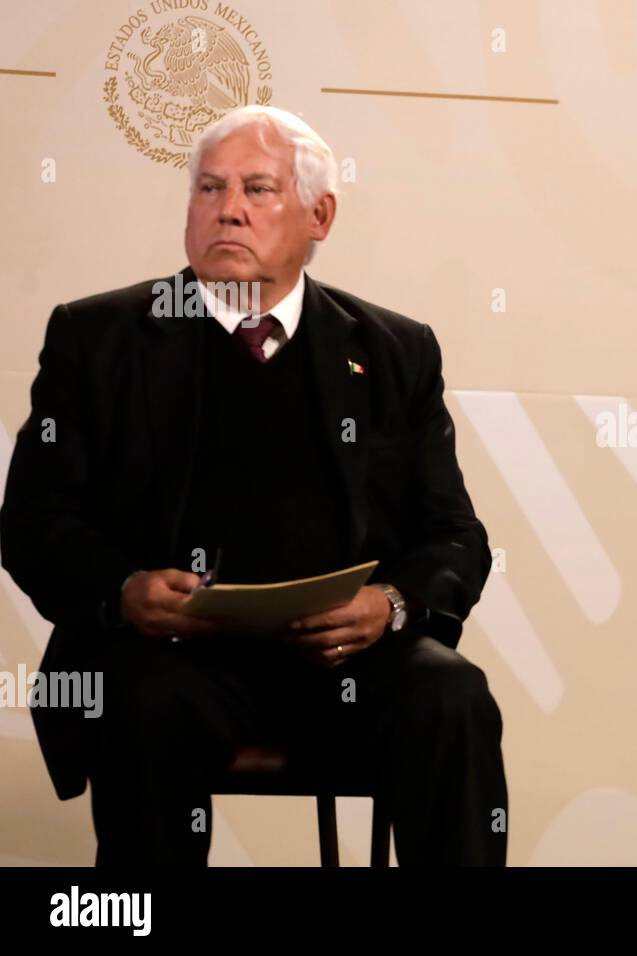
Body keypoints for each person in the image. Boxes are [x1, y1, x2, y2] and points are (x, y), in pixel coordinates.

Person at [0, 105, 507, 866]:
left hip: (345, 664)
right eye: (208, 189)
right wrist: (123, 590)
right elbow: (35, 520)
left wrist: (391, 605)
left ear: (319, 214)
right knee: (143, 703)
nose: (227, 209)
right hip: (170, 660)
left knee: (452, 696)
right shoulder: (98, 338)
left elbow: (454, 534)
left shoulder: (393, 351)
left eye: (258, 189)